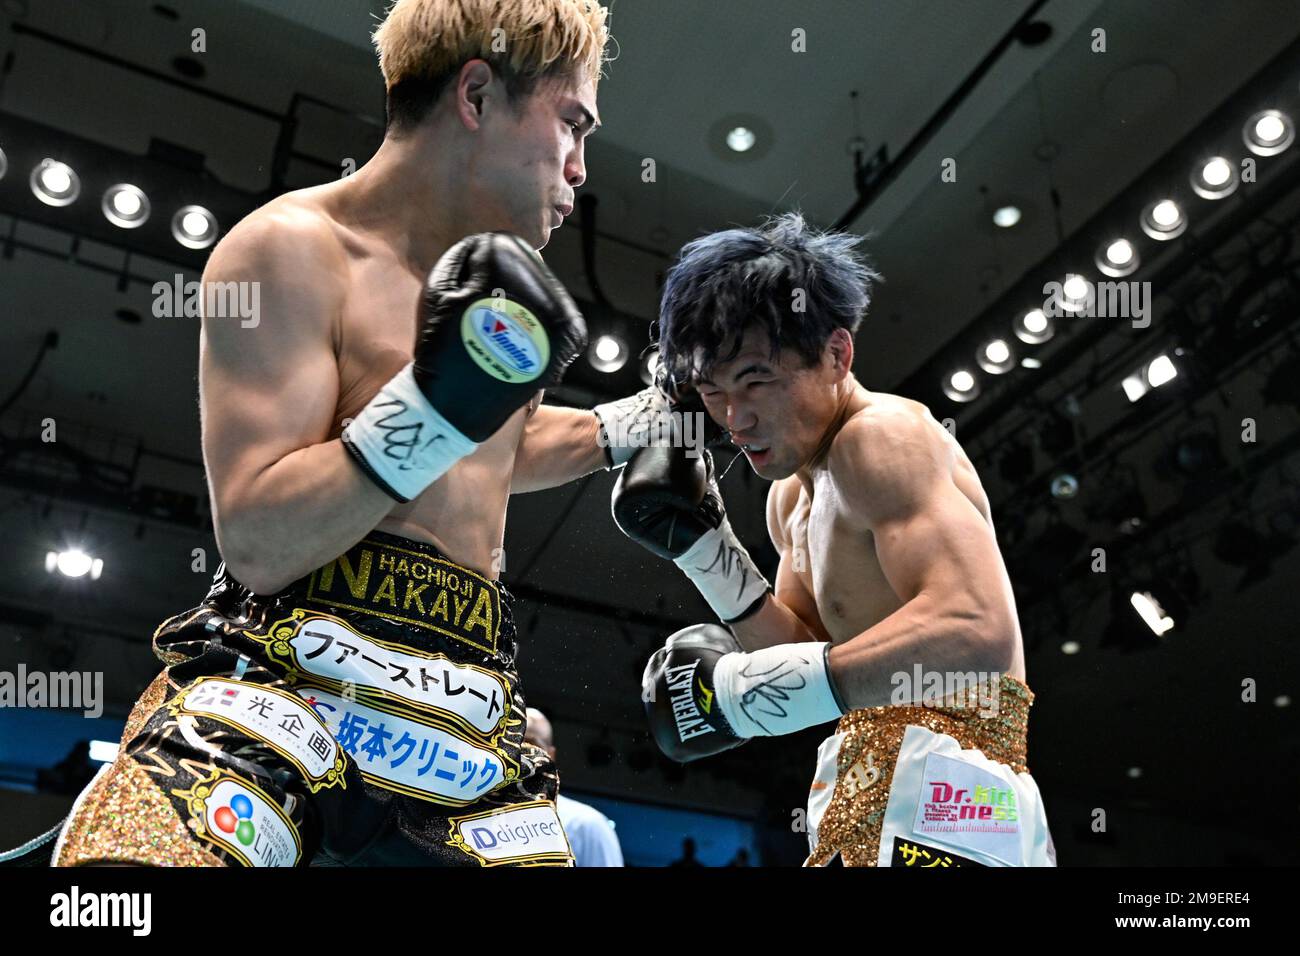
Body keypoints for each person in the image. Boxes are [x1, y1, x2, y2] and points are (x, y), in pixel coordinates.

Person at [52, 0, 620, 868]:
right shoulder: (292, 248)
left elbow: (499, 450)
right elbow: (257, 538)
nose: (581, 169)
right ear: (477, 94)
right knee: (117, 880)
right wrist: (433, 408)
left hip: (468, 722)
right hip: (287, 691)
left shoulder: (494, 298)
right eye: (571, 124)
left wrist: (668, 417)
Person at [617, 212, 1057, 867]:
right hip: (870, 778)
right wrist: (708, 556)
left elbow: (977, 628)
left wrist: (741, 696)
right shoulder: (790, 496)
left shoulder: (881, 440)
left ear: (837, 354)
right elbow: (806, 657)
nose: (735, 420)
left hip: (951, 781)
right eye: (714, 393)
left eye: (756, 381)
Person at [523, 708, 624, 867]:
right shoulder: (476, 817)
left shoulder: (588, 827)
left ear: (550, 755)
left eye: (531, 744)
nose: (520, 754)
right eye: (513, 743)